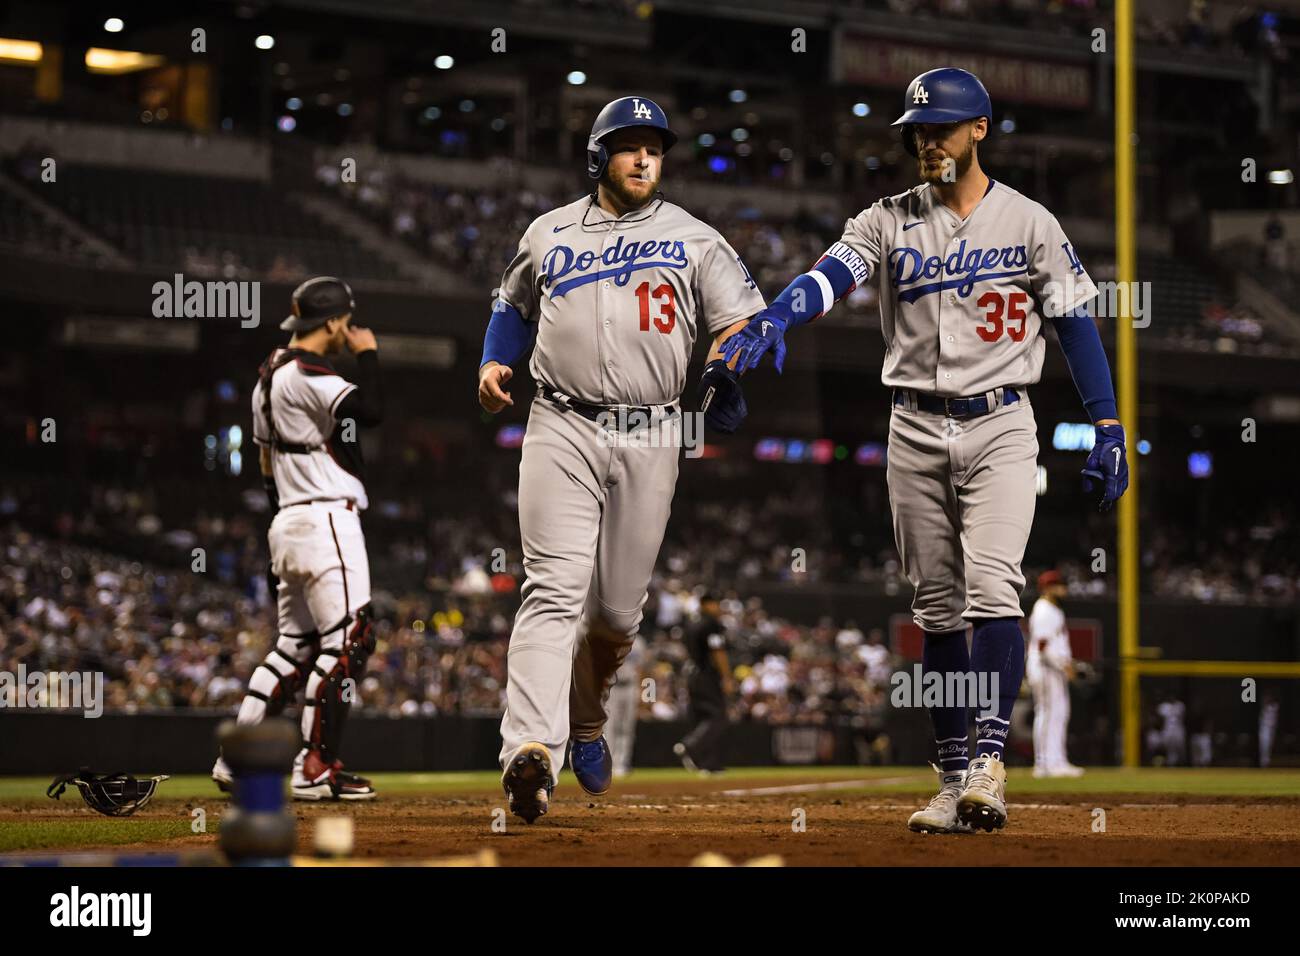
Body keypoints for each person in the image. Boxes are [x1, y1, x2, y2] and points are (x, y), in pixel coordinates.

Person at [714, 68, 1128, 833]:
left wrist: (1106, 424)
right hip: (912, 426)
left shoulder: (1031, 222)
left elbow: (1076, 327)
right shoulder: (887, 217)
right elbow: (828, 276)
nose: (926, 140)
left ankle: (992, 765)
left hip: (1003, 422)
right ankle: (950, 777)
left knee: (995, 588)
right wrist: (776, 316)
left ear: (980, 129)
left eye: (941, 127)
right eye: (917, 130)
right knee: (936, 609)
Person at [478, 95, 765, 823]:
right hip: (561, 421)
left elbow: (741, 319)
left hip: (653, 430)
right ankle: (529, 754)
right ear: (598, 156)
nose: (644, 158)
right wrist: (492, 362)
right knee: (552, 588)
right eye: (630, 145)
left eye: (655, 148)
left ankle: (585, 720)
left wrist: (726, 366)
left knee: (613, 616)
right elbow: (511, 306)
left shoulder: (695, 237)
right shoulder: (547, 232)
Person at [212, 277, 381, 800]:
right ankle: (314, 769)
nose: (348, 330)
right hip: (327, 518)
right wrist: (369, 355)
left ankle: (236, 758)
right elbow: (370, 412)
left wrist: (283, 528)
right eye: (345, 321)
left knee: (295, 647)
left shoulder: (266, 375)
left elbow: (266, 463)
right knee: (350, 640)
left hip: (288, 518)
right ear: (331, 322)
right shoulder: (307, 371)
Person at [1026, 570, 1083, 777]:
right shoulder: (1043, 610)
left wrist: (1066, 663)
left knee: (1058, 713)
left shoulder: (1053, 609)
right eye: (1059, 585)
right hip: (1045, 668)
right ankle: (1043, 764)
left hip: (1053, 668)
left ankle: (1057, 761)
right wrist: (1064, 665)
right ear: (1048, 588)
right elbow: (1043, 646)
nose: (1063, 588)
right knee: (1048, 713)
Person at [675, 593, 733, 773]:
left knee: (701, 717)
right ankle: (690, 746)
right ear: (707, 604)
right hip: (707, 675)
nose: (718, 608)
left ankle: (709, 764)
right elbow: (718, 651)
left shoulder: (690, 623)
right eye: (716, 604)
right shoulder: (711, 624)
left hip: (692, 674)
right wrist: (727, 677)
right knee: (718, 716)